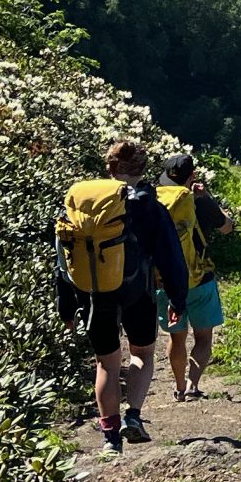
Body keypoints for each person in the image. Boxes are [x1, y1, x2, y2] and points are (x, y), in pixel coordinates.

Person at [59, 139, 188, 454]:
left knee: (106, 364)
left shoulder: (81, 205)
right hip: (136, 292)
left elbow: (63, 260)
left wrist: (67, 305)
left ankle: (110, 440)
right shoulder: (148, 206)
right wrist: (177, 298)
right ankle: (133, 416)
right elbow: (171, 257)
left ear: (109, 167)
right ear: (143, 170)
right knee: (142, 354)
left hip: (92, 293)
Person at [153, 151, 231, 401]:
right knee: (203, 336)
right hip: (199, 279)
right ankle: (192, 385)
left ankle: (177, 388)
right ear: (193, 176)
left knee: (177, 337)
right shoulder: (199, 201)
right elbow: (228, 227)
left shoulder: (153, 201)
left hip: (164, 281)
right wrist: (206, 198)